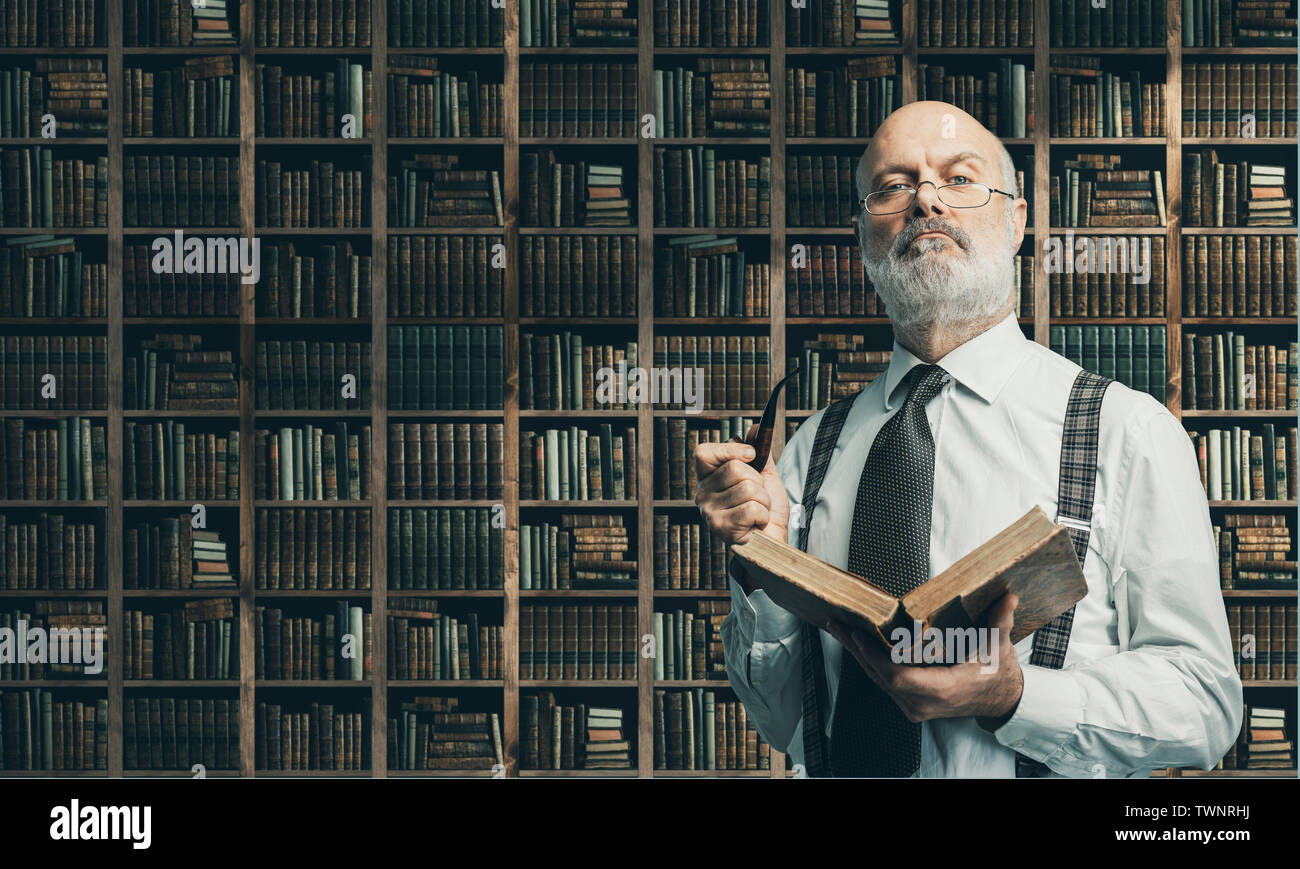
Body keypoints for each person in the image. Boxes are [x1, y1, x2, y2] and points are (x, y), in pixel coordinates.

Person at [694, 101, 1243, 777]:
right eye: (893, 186)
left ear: (1016, 220)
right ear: (865, 237)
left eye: (959, 178)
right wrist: (762, 563)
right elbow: (780, 720)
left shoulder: (1127, 432)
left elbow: (1206, 705)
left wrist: (1016, 696)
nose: (926, 200)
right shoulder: (810, 451)